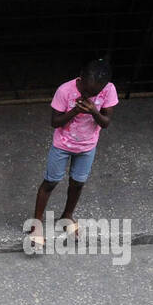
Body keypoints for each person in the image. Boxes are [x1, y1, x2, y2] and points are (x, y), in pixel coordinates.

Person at [27, 58, 118, 254]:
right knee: (50, 182)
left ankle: (67, 215)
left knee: (78, 182)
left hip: (87, 146)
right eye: (85, 91)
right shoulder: (65, 91)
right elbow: (55, 122)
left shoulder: (109, 90)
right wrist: (75, 110)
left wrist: (94, 110)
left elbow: (105, 123)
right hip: (62, 145)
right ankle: (36, 224)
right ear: (81, 77)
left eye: (93, 94)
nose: (88, 95)